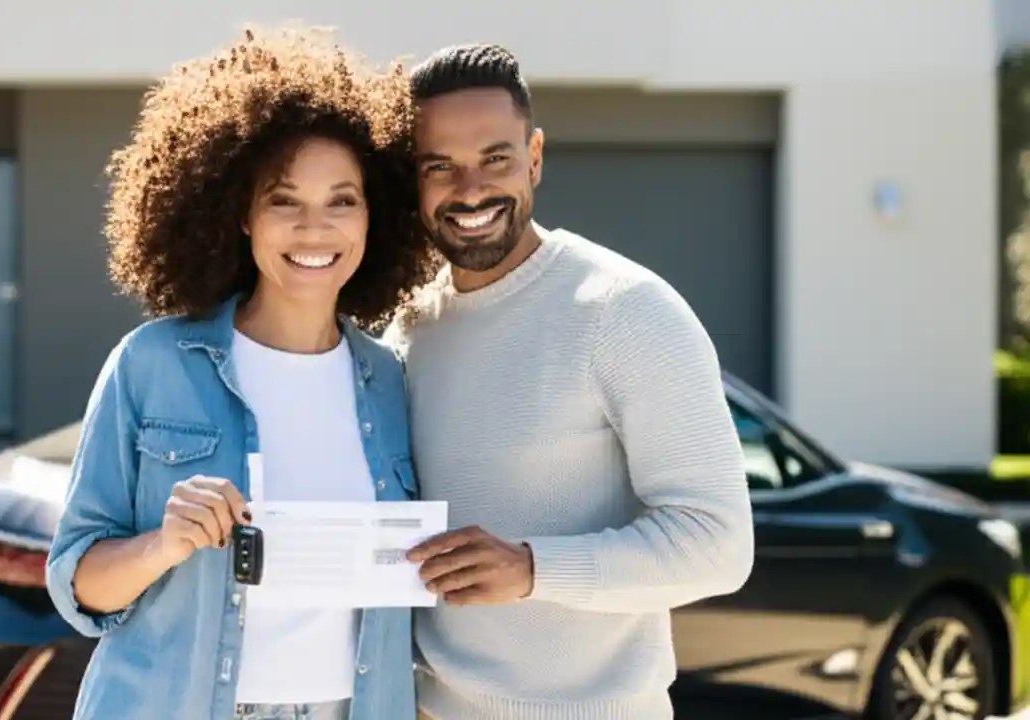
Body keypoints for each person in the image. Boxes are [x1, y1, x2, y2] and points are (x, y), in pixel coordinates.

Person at [45, 25, 436, 720]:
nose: (315, 229)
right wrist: (164, 545)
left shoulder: (393, 378)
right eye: (284, 201)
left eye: (342, 200)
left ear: (375, 217)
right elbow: (77, 587)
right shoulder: (153, 363)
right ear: (242, 217)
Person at [386, 44, 756, 720]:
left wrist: (531, 569)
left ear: (534, 158)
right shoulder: (408, 327)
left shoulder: (624, 310)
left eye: (495, 158)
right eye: (440, 166)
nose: (470, 190)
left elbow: (718, 546)